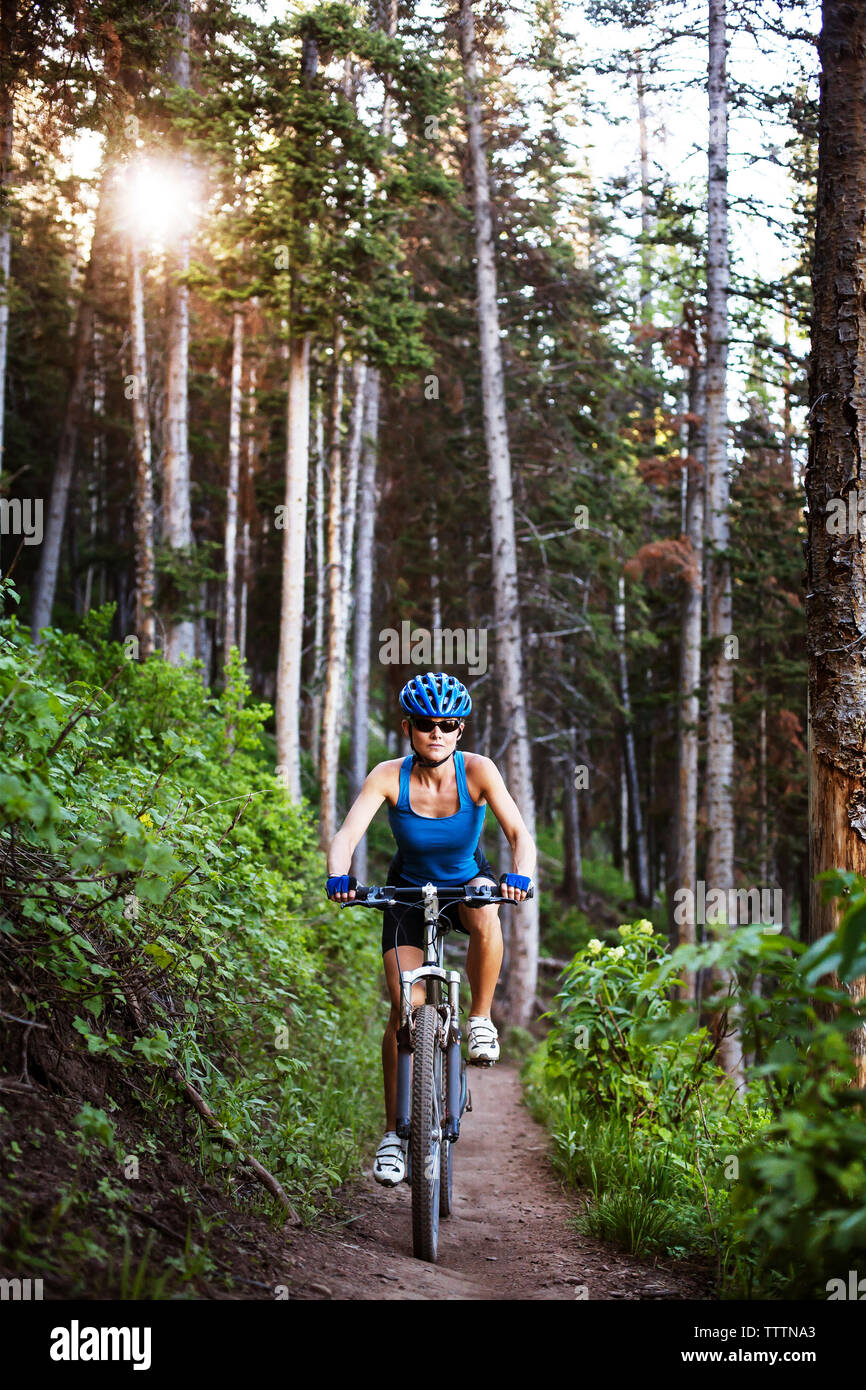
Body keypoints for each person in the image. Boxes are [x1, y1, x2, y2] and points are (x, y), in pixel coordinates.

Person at [325, 671, 536, 1186]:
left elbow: (518, 833)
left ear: (460, 730)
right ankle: (396, 1134)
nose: (436, 733)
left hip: (467, 886)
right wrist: (338, 875)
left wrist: (519, 875)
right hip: (406, 894)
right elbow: (347, 834)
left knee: (487, 913)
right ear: (408, 727)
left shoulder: (480, 771)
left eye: (448, 724)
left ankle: (481, 1019)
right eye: (425, 724)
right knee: (405, 1005)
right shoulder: (387, 775)